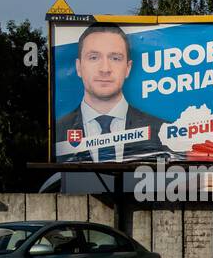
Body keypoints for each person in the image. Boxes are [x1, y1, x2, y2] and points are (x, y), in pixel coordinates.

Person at [54, 24, 169, 162]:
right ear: (79, 67)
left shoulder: (162, 131)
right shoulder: (57, 132)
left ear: (128, 68)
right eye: (94, 57)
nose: (105, 69)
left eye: (115, 58)